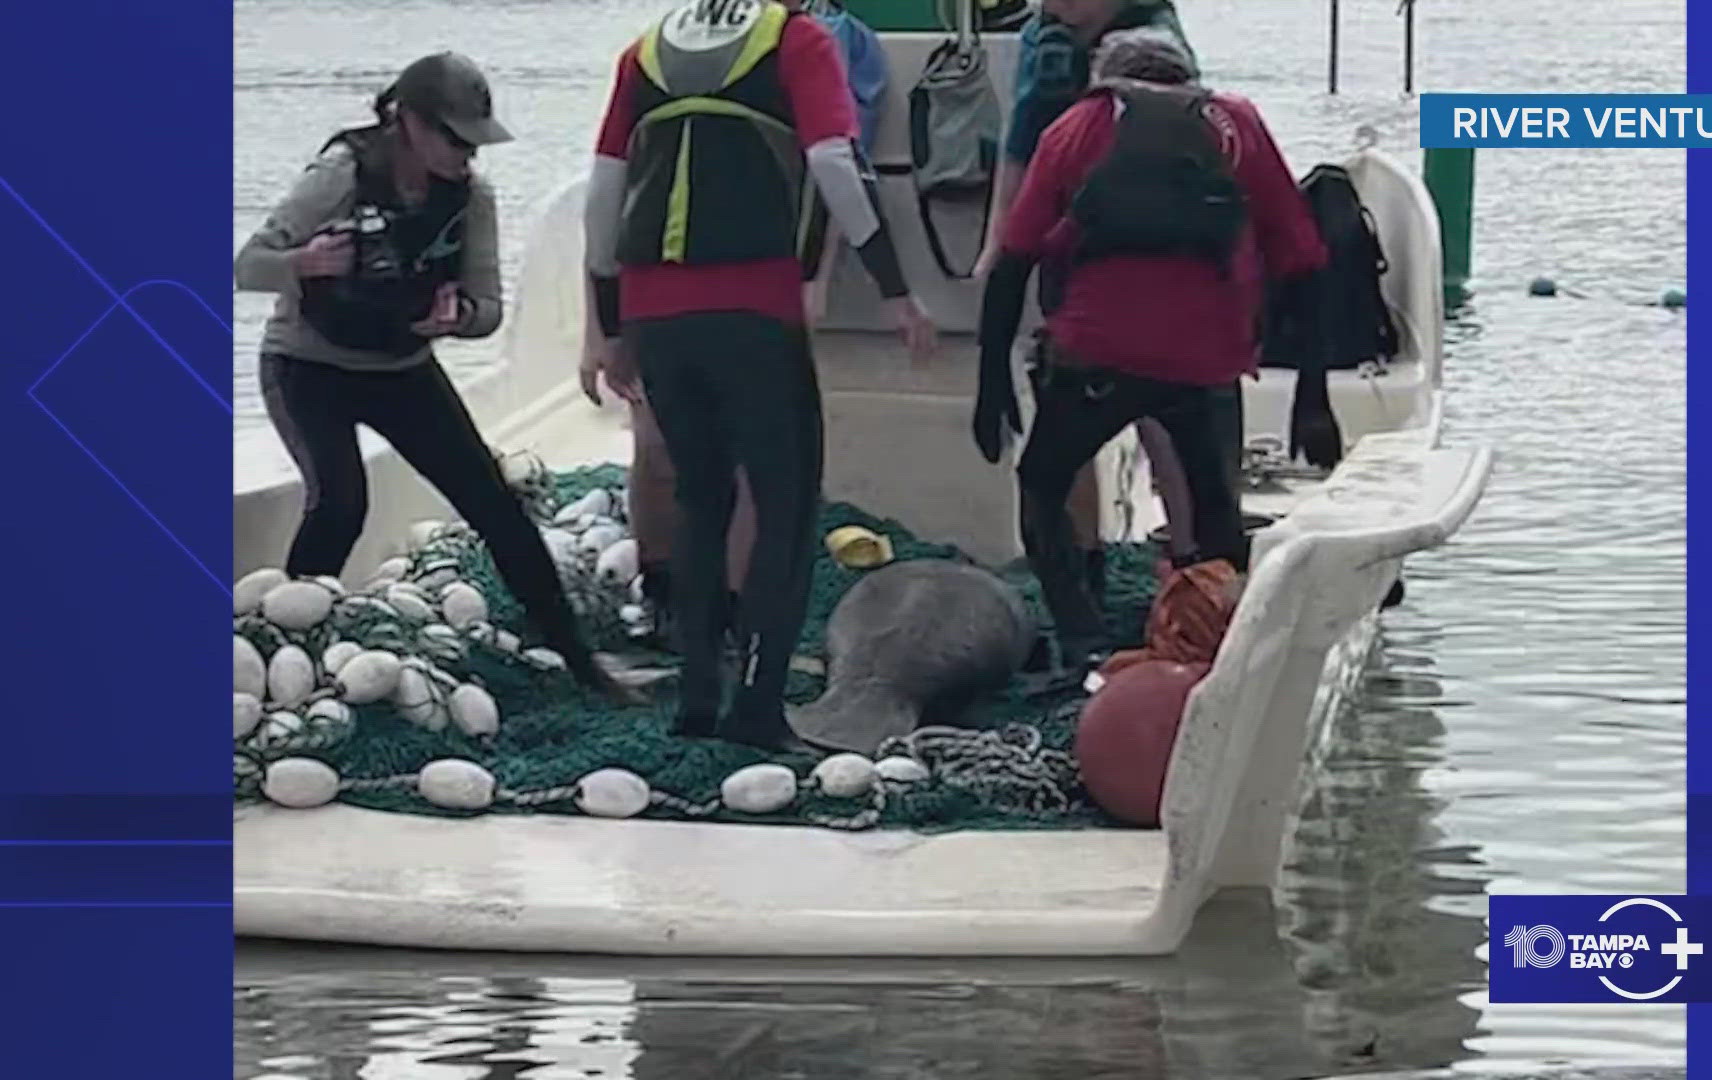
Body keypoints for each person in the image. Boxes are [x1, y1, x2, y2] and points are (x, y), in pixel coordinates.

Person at [581, 0, 937, 752]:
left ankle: (697, 697)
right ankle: (761, 707)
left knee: (701, 496)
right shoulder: (797, 39)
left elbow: (602, 196)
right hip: (754, 308)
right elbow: (835, 165)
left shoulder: (644, 51)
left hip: (657, 316)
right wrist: (896, 288)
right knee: (782, 504)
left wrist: (612, 323)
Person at [235, 52, 633, 702]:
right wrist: (304, 262)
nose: (466, 154)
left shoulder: (471, 197)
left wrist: (458, 320)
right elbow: (248, 265)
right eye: (453, 138)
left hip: (403, 368)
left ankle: (584, 665)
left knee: (497, 507)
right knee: (341, 502)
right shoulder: (343, 173)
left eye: (475, 141)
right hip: (307, 367)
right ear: (409, 122)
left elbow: (489, 308)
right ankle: (291, 661)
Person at [972, 27, 1327, 674]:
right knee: (1218, 512)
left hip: (1092, 355)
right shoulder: (1236, 123)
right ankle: (1215, 647)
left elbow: (1014, 258)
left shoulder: (1075, 127)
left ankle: (1082, 638)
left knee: (1042, 485)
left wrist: (990, 380)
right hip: (1207, 360)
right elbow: (1301, 258)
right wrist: (1312, 394)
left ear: (1104, 75)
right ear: (1188, 74)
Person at [972, 0, 1216, 599]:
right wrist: (997, 241)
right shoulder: (1044, 41)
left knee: (1166, 419)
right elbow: (1021, 143)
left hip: (1167, 259)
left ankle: (1188, 563)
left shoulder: (1155, 37)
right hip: (1077, 256)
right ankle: (1084, 567)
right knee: (1065, 420)